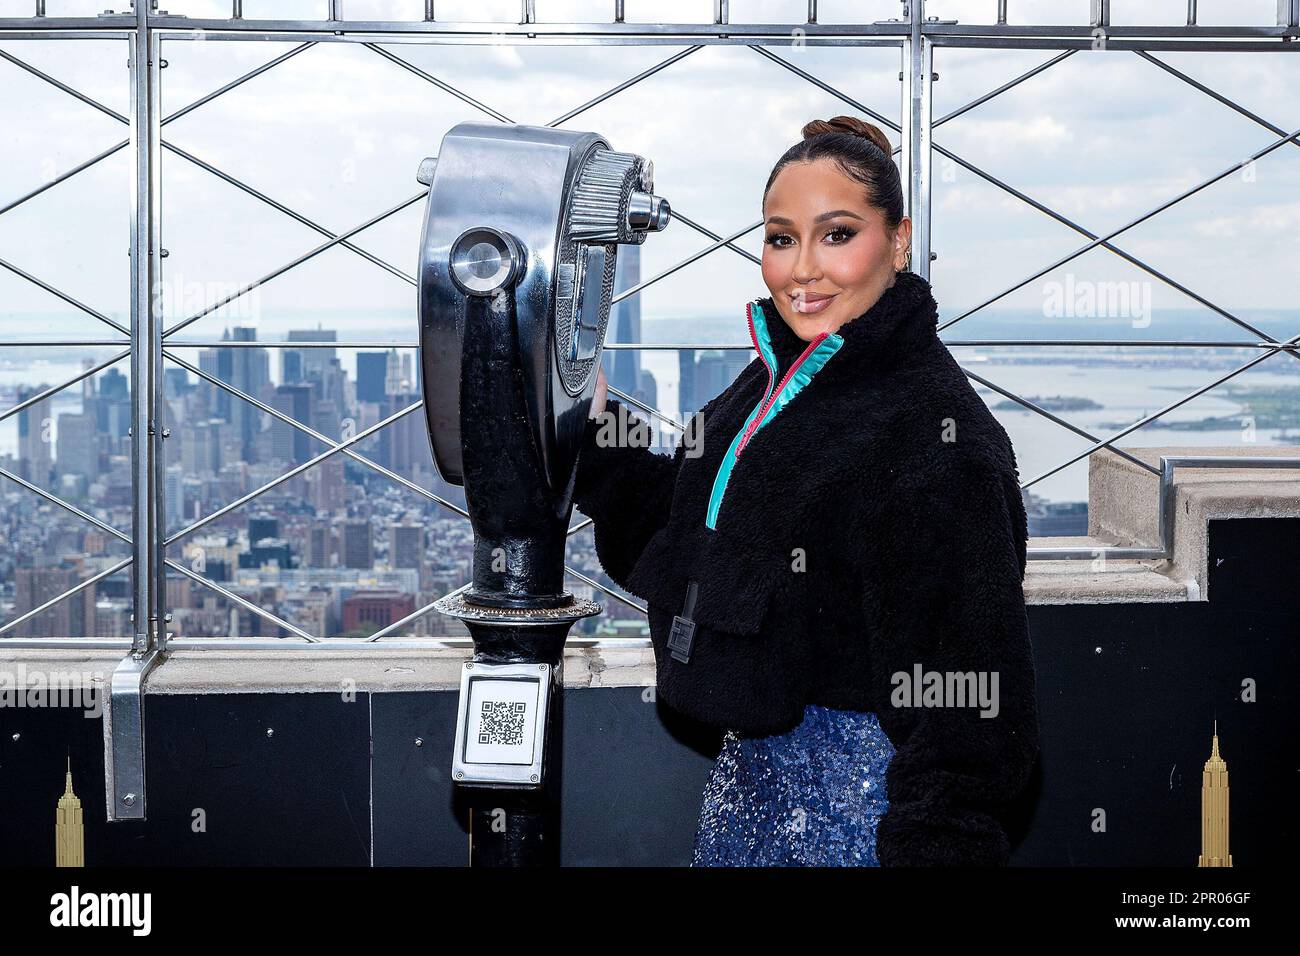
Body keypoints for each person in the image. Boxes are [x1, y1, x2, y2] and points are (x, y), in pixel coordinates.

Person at [572, 115, 1040, 866]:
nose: (802, 270)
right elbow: (688, 539)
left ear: (899, 240)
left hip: (860, 823)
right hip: (747, 801)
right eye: (782, 238)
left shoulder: (936, 438)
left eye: (838, 234)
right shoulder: (775, 387)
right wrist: (594, 433)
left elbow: (970, 716)